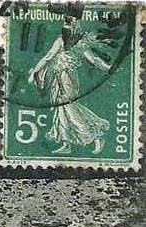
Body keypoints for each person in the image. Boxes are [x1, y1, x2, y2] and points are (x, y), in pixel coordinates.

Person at [27, 14, 111, 155]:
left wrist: (109, 68)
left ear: (76, 25)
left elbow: (94, 60)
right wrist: (34, 72)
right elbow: (48, 57)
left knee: (69, 107)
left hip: (68, 79)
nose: (67, 26)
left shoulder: (80, 43)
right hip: (57, 79)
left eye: (70, 23)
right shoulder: (60, 40)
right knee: (61, 110)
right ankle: (66, 144)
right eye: (66, 23)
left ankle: (96, 137)